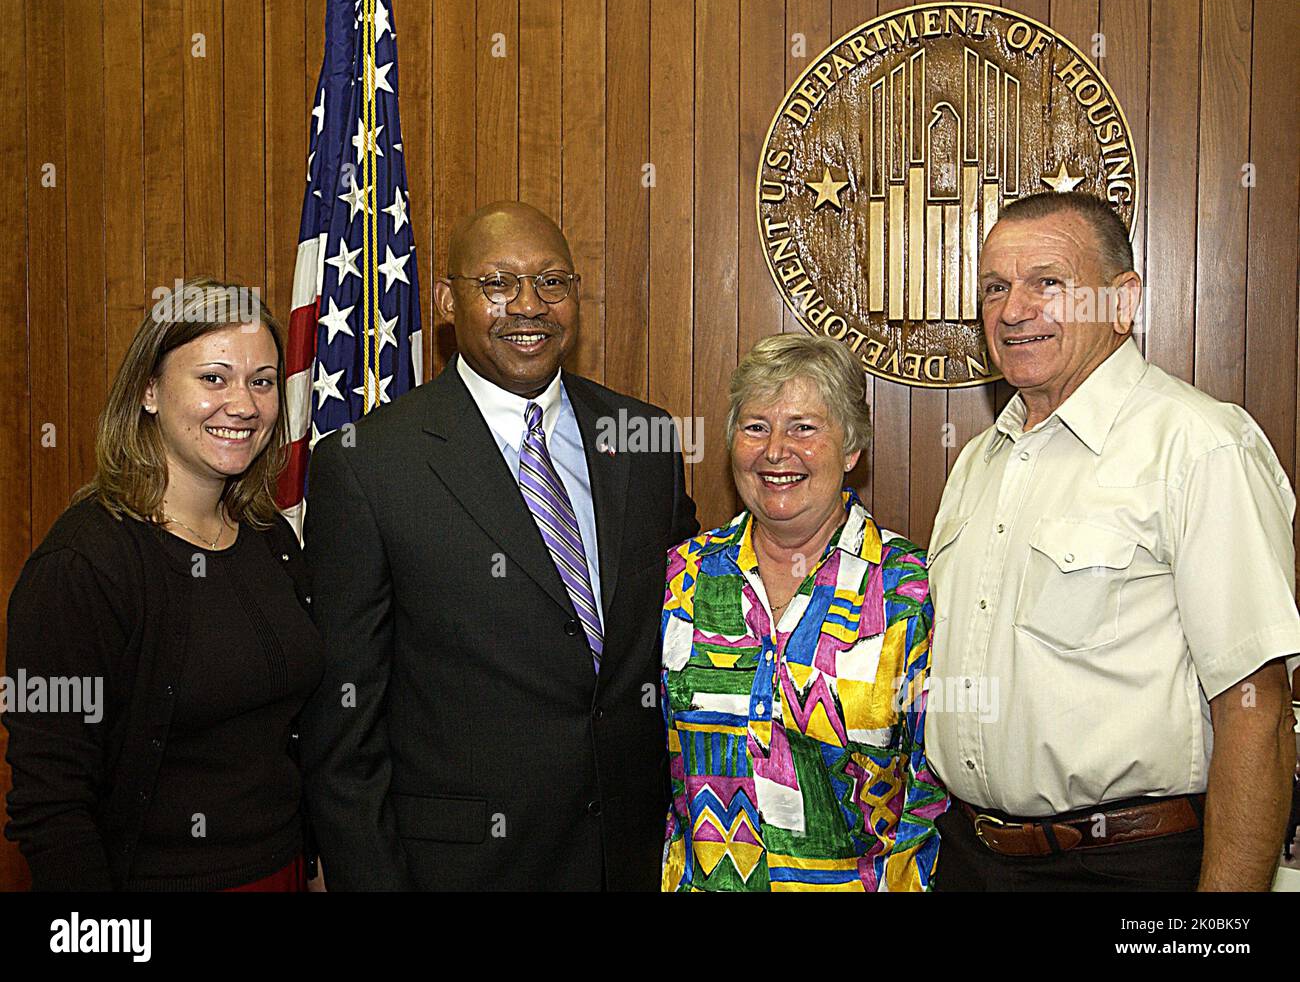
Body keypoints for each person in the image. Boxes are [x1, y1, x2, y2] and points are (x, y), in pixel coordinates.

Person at [300, 200, 699, 890]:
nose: (529, 305)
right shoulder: (368, 465)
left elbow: (691, 622)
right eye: (497, 284)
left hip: (633, 859)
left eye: (552, 282)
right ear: (448, 301)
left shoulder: (644, 438)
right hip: (464, 868)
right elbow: (344, 731)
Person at [927, 191, 1299, 891]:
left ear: (1121, 302)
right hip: (971, 858)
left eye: (1048, 283)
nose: (1013, 310)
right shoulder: (980, 463)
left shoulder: (1198, 448)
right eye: (996, 288)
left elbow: (1259, 712)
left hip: (1125, 869)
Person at [3, 277, 324, 891]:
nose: (244, 404)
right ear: (149, 390)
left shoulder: (270, 540)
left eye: (261, 381)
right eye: (213, 378)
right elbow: (50, 804)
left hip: (281, 872)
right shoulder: (81, 565)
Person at [660, 333, 946, 891]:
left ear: (851, 448)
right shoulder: (681, 578)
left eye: (804, 427)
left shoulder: (906, 587)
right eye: (755, 426)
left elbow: (931, 785)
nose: (775, 451)